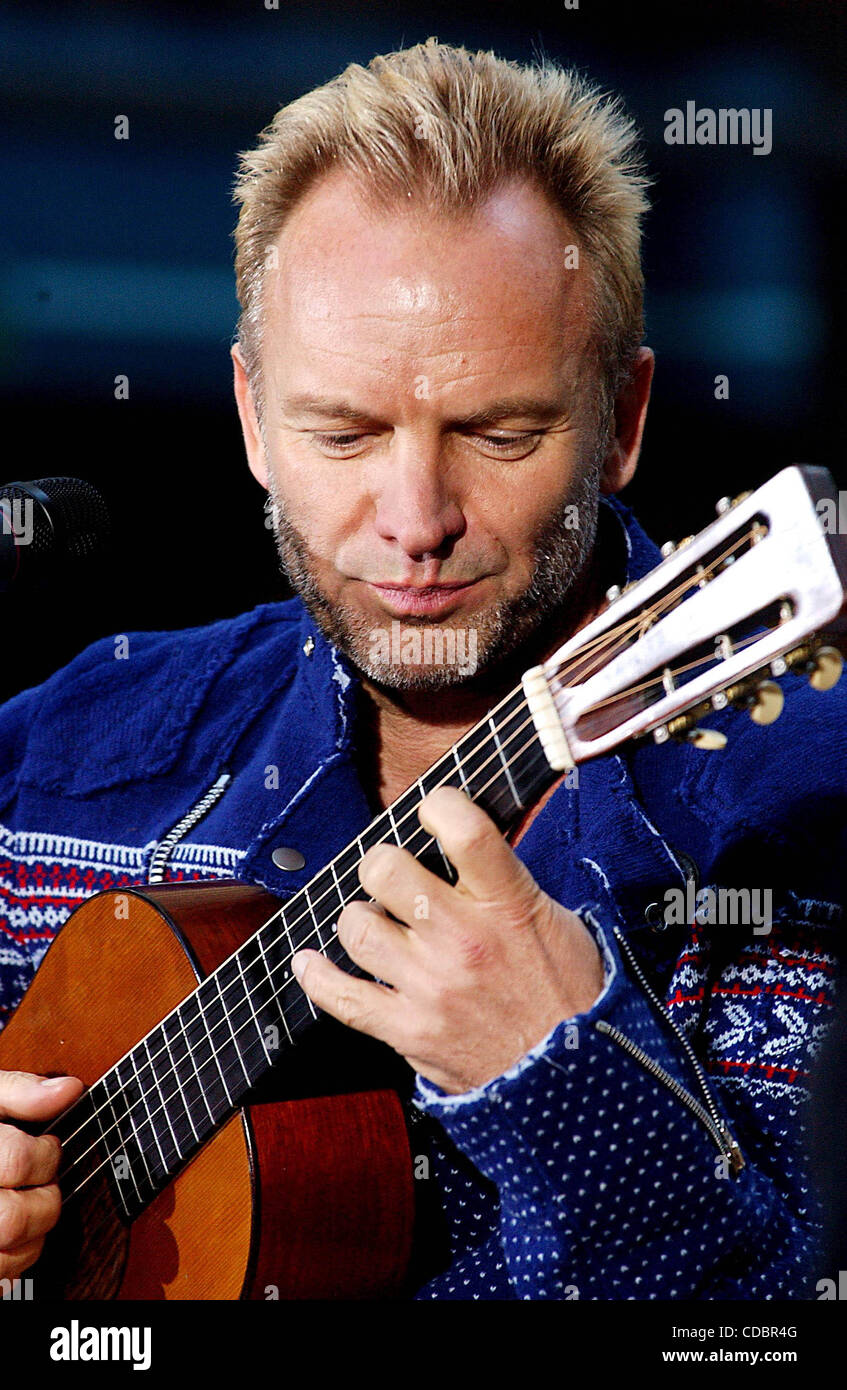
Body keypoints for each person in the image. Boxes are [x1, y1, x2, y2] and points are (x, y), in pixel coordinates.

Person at [0, 38, 844, 1300]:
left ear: (621, 421)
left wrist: (566, 1074)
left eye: (498, 432)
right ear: (248, 418)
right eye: (341, 431)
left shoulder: (805, 818)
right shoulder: (69, 755)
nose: (414, 518)